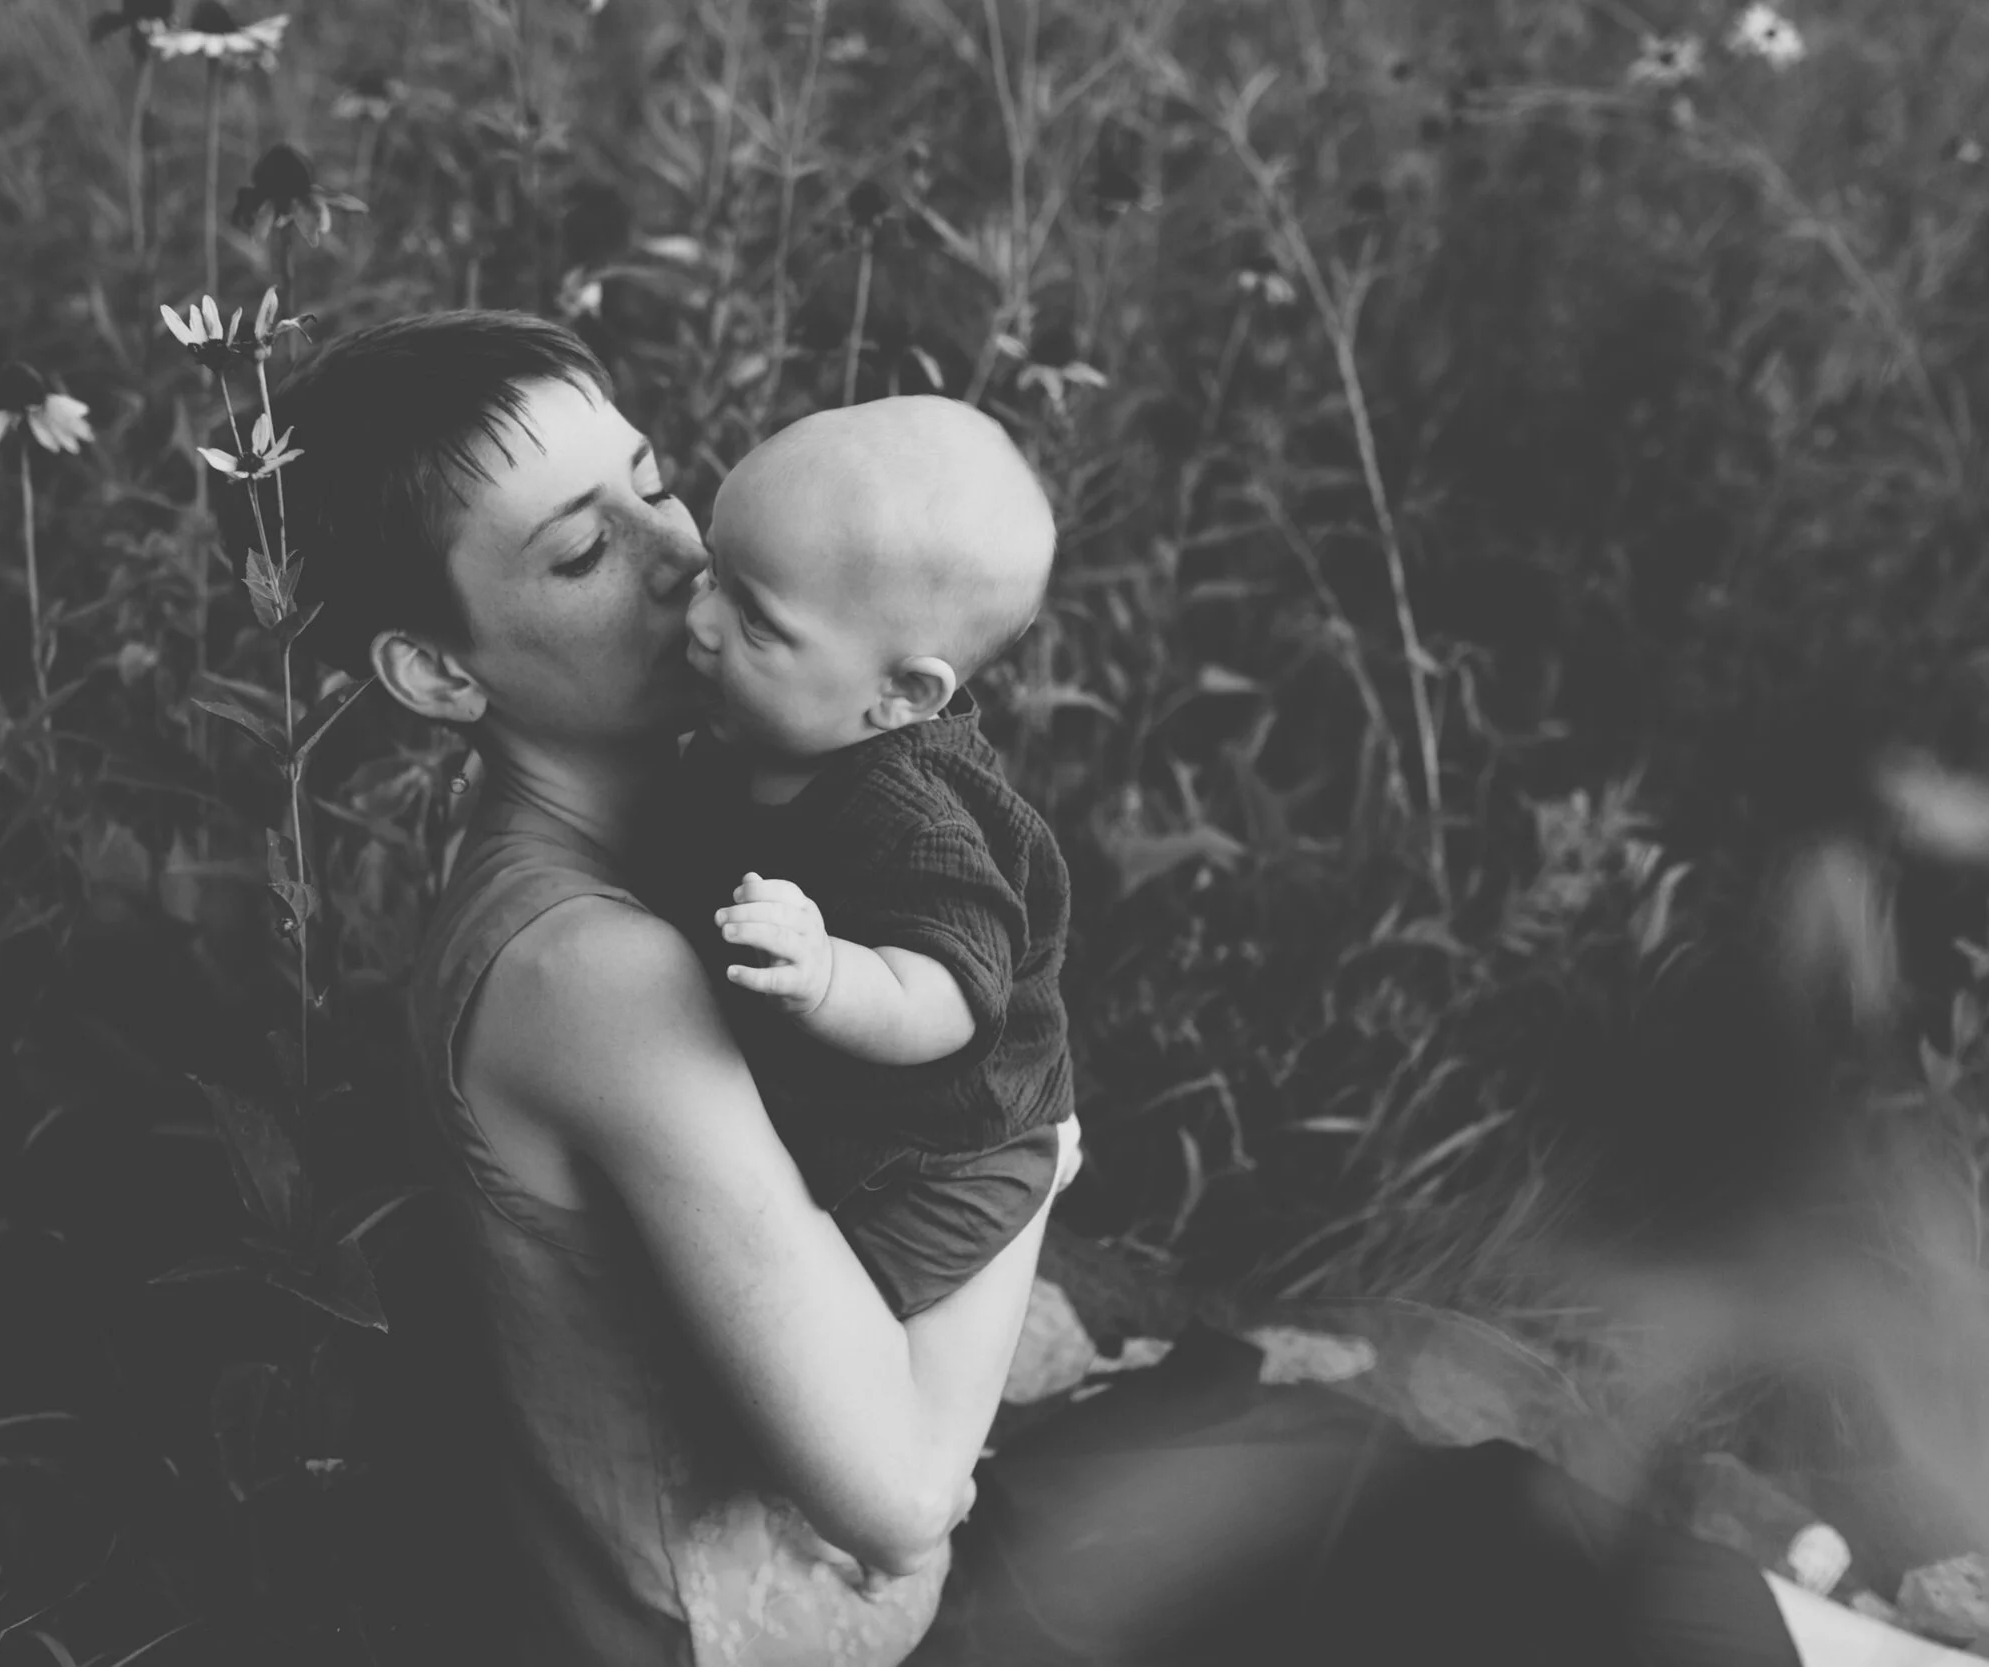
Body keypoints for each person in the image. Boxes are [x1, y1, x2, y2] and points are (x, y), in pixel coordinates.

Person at [263, 309, 1812, 1667]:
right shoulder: (588, 968)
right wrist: (1035, 1150)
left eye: (656, 480)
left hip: (827, 1575)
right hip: (783, 1624)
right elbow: (898, 1485)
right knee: (1472, 1570)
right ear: (438, 675)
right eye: (584, 550)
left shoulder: (678, 811)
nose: (678, 557)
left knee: (1427, 1513)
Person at [647, 396, 1071, 1319]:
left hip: (949, 1161)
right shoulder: (762, 728)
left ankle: (925, 1438)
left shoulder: (914, 816)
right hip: (855, 1125)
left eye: (757, 620)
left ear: (902, 693)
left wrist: (830, 974)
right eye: (716, 571)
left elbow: (952, 996)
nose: (703, 620)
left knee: (809, 1311)